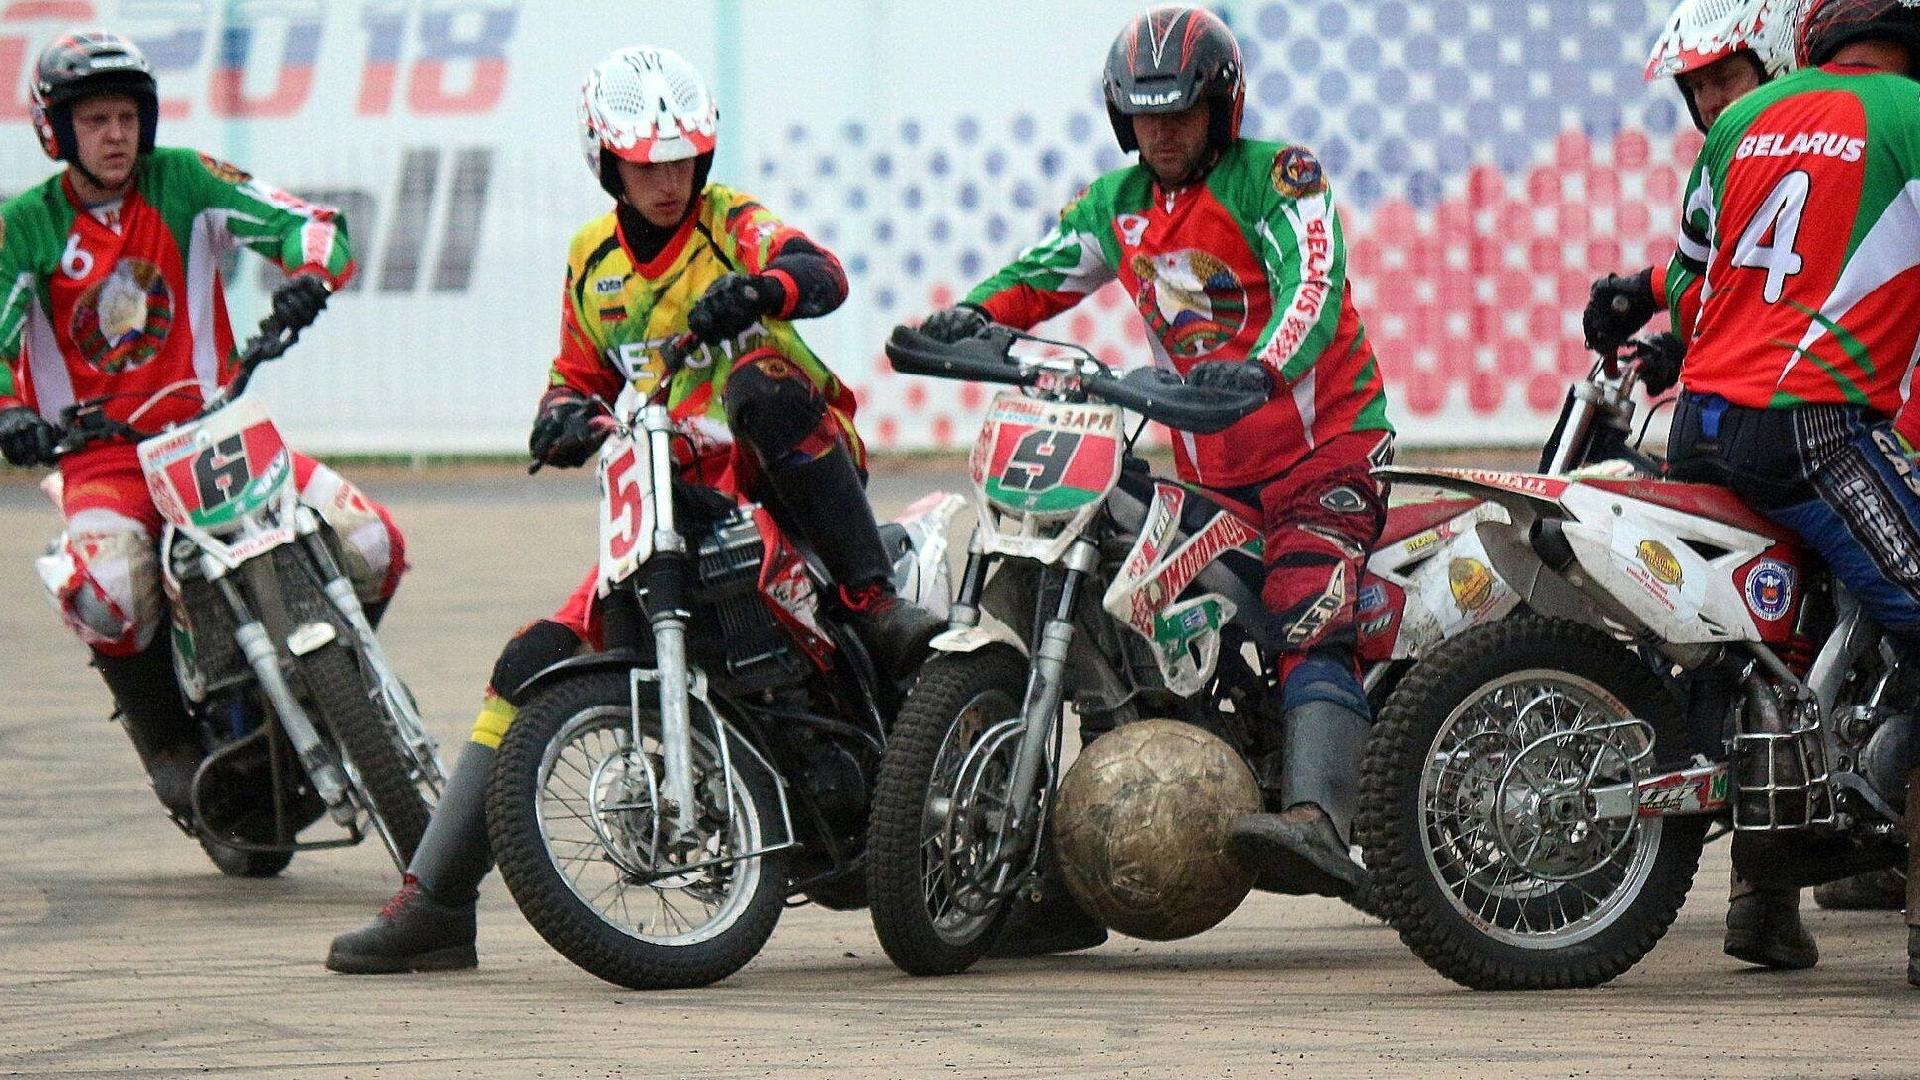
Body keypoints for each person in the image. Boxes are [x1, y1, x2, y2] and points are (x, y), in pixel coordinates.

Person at [326, 44, 941, 974]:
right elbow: (568, 380)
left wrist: (764, 289)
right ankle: (436, 903)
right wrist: (559, 421)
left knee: (764, 383)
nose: (668, 178)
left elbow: (822, 274)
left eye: (683, 159)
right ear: (607, 160)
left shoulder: (730, 221)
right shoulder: (589, 261)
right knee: (531, 656)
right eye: (647, 162)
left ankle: (872, 602)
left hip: (783, 465)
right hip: (662, 495)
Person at [915, 6, 1394, 949]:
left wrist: (1259, 365)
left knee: (1305, 594)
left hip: (1324, 453)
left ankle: (1318, 820)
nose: (1163, 132)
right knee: (1091, 576)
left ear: (1224, 107)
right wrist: (964, 318)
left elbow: (1315, 284)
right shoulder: (1115, 203)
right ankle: (1064, 875)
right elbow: (1042, 275)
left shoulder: (1278, 178)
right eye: (1143, 115)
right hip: (1208, 468)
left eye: (1180, 112)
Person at [0, 31, 404, 820]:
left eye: (127, 117)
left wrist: (311, 275)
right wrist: (11, 413)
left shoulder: (183, 179)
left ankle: (328, 702)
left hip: (216, 433)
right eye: (95, 121)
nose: (116, 135)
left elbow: (306, 223)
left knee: (373, 543)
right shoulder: (25, 225)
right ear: (57, 132)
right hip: (102, 457)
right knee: (110, 592)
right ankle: (167, 743)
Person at [1659, 0, 1920, 987]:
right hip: (1813, 426)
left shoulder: (1741, 122)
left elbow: (1692, 283)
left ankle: (1763, 905)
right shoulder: (1912, 119)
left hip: (1704, 421)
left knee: (1783, 635)